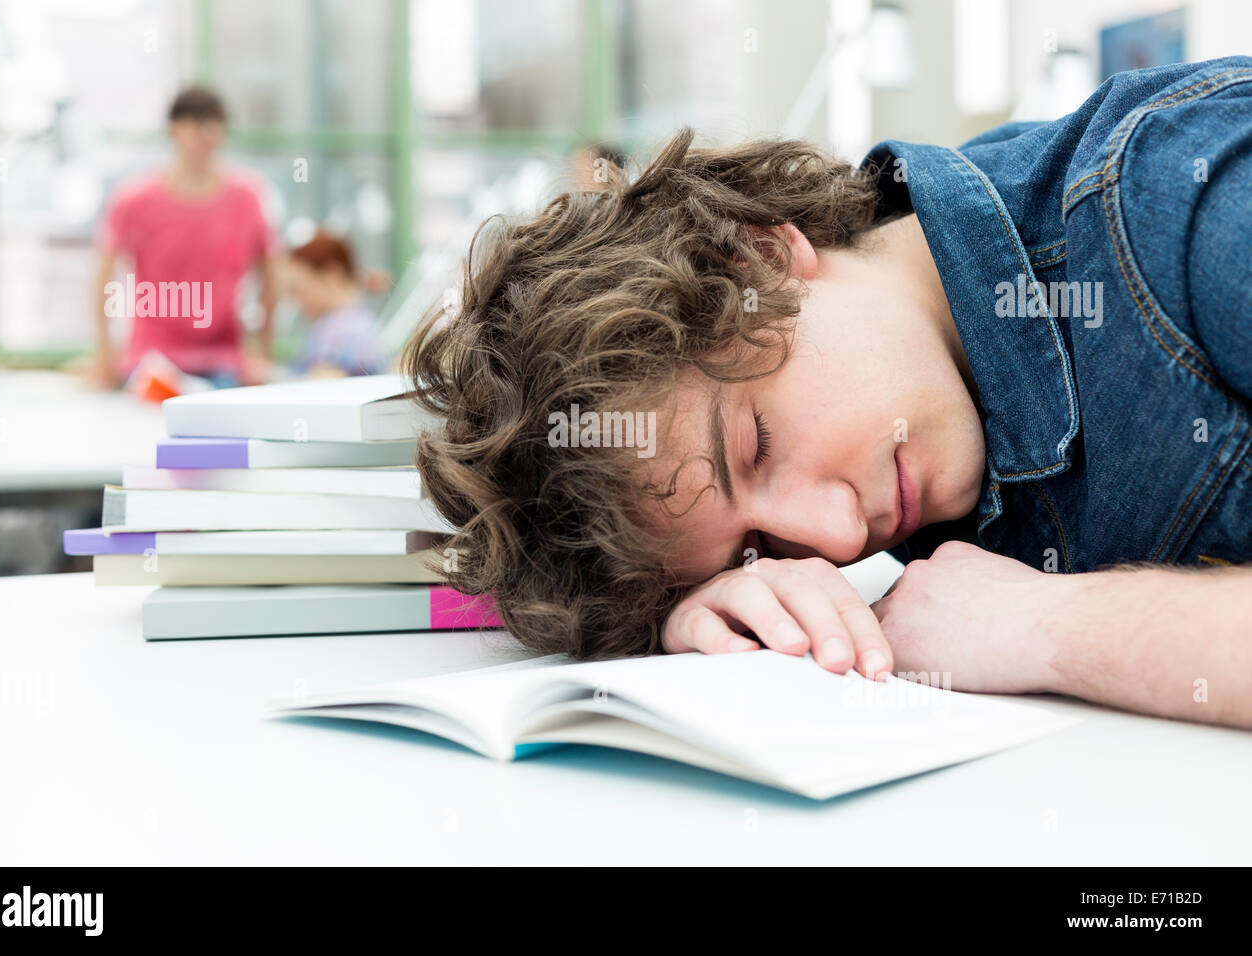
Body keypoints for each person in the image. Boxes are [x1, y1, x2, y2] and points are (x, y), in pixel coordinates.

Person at [405, 57, 1252, 729]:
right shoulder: (910, 385)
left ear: (761, 262)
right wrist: (725, 618)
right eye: (763, 546)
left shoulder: (1185, 192)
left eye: (757, 447)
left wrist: (1048, 628)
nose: (839, 535)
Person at [91, 86, 278, 389]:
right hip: (151, 357)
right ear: (174, 130)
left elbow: (270, 275)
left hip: (224, 359)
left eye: (214, 127)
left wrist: (264, 353)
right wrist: (104, 354)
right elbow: (103, 275)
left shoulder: (248, 197)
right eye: (197, 126)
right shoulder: (134, 199)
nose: (207, 136)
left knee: (219, 413)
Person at [286, 230, 387, 378]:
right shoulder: (335, 326)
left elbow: (319, 385)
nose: (296, 299)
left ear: (331, 275)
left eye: (300, 288)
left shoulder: (346, 334)